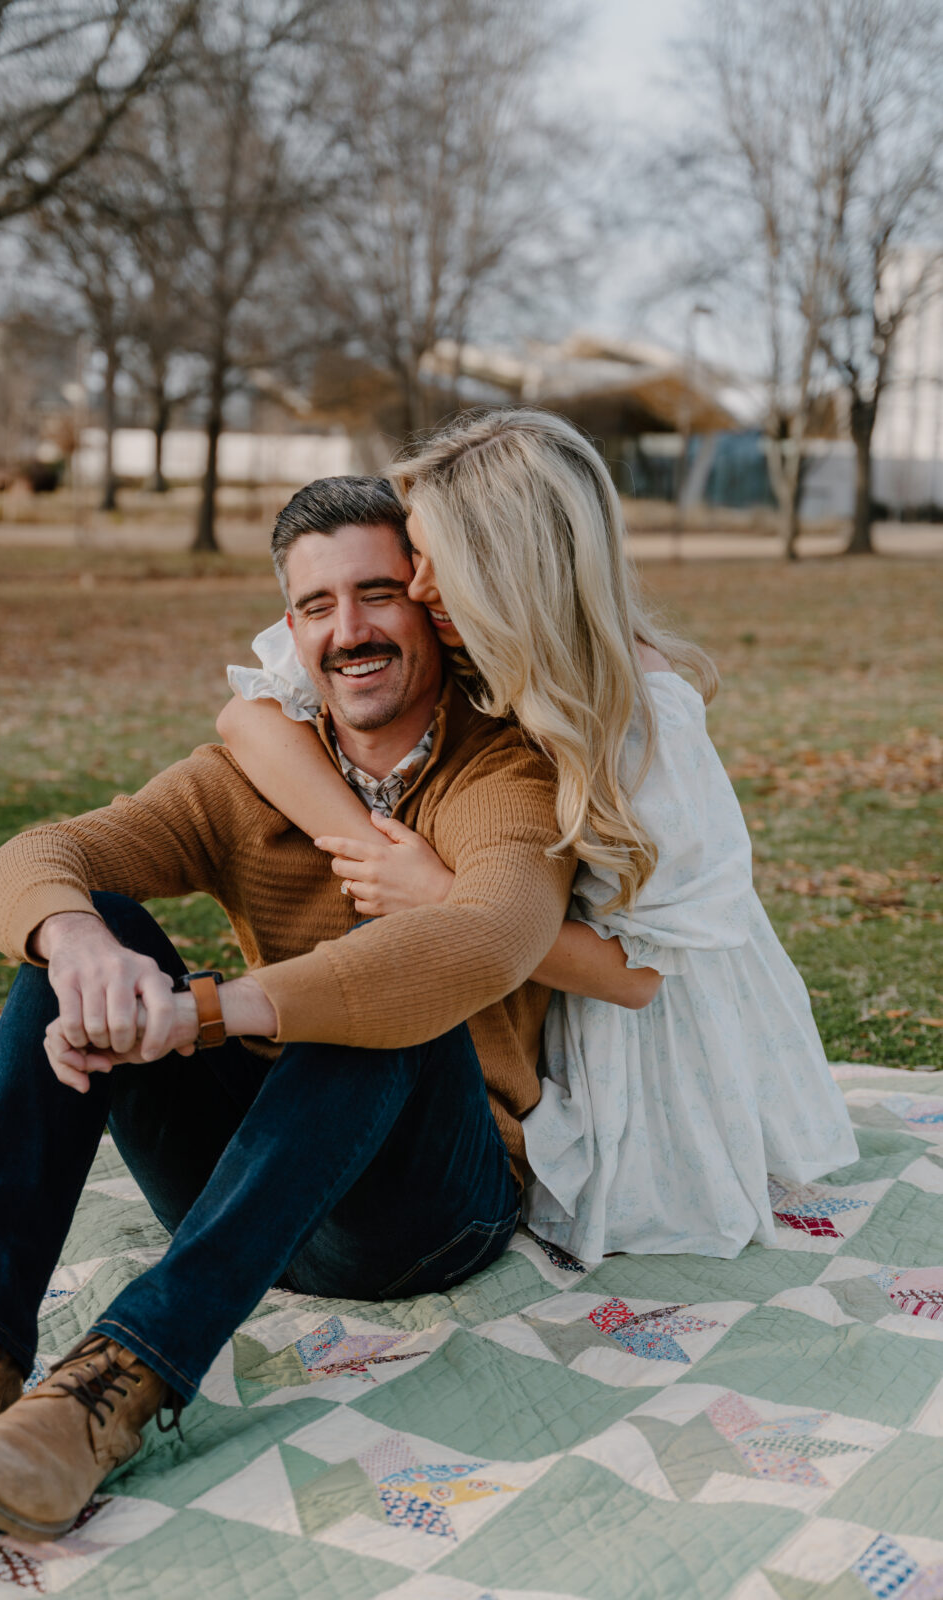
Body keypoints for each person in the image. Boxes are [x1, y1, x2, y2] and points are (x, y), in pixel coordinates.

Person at [0, 475, 576, 1543]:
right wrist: (77, 942)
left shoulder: (504, 772)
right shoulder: (250, 777)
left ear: (433, 604)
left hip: (426, 1208)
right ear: (290, 628)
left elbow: (486, 936)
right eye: (315, 605)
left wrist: (204, 1011)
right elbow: (35, 855)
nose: (348, 630)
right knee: (90, 927)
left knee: (387, 996)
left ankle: (116, 1384)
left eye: (378, 594)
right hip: (248, 1177)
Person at [219, 408, 858, 1267]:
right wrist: (369, 845)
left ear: (508, 565)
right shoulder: (471, 645)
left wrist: (440, 897)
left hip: (645, 1026)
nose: (416, 588)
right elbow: (248, 717)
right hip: (524, 987)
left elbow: (639, 979)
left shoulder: (642, 715)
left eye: (434, 562)